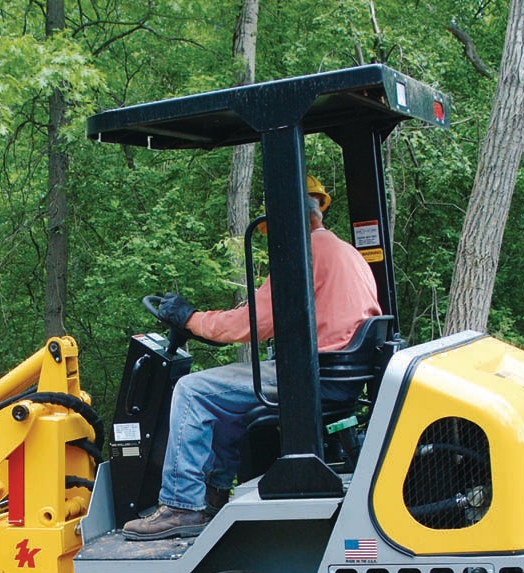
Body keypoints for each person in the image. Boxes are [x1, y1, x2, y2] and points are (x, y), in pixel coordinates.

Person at [122, 175, 383, 541]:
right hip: (334, 374)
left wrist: (192, 320)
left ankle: (182, 505)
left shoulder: (305, 253)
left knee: (192, 390)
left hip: (311, 378)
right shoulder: (344, 252)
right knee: (226, 401)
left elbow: (254, 322)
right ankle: (213, 495)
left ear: (284, 215)